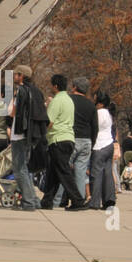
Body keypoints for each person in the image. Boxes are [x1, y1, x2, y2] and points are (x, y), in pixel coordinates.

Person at [39, 75, 85, 211]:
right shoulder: (69, 100)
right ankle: (47, 201)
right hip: (69, 138)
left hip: (58, 139)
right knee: (53, 172)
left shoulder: (57, 100)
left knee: (63, 171)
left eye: (52, 85)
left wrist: (41, 134)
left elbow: (49, 122)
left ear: (56, 86)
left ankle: (78, 200)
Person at [87, 91, 117, 210]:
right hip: (109, 144)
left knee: (96, 174)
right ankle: (109, 199)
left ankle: (94, 202)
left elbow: (94, 128)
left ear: (99, 102)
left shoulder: (99, 113)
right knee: (107, 173)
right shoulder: (109, 113)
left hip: (99, 145)